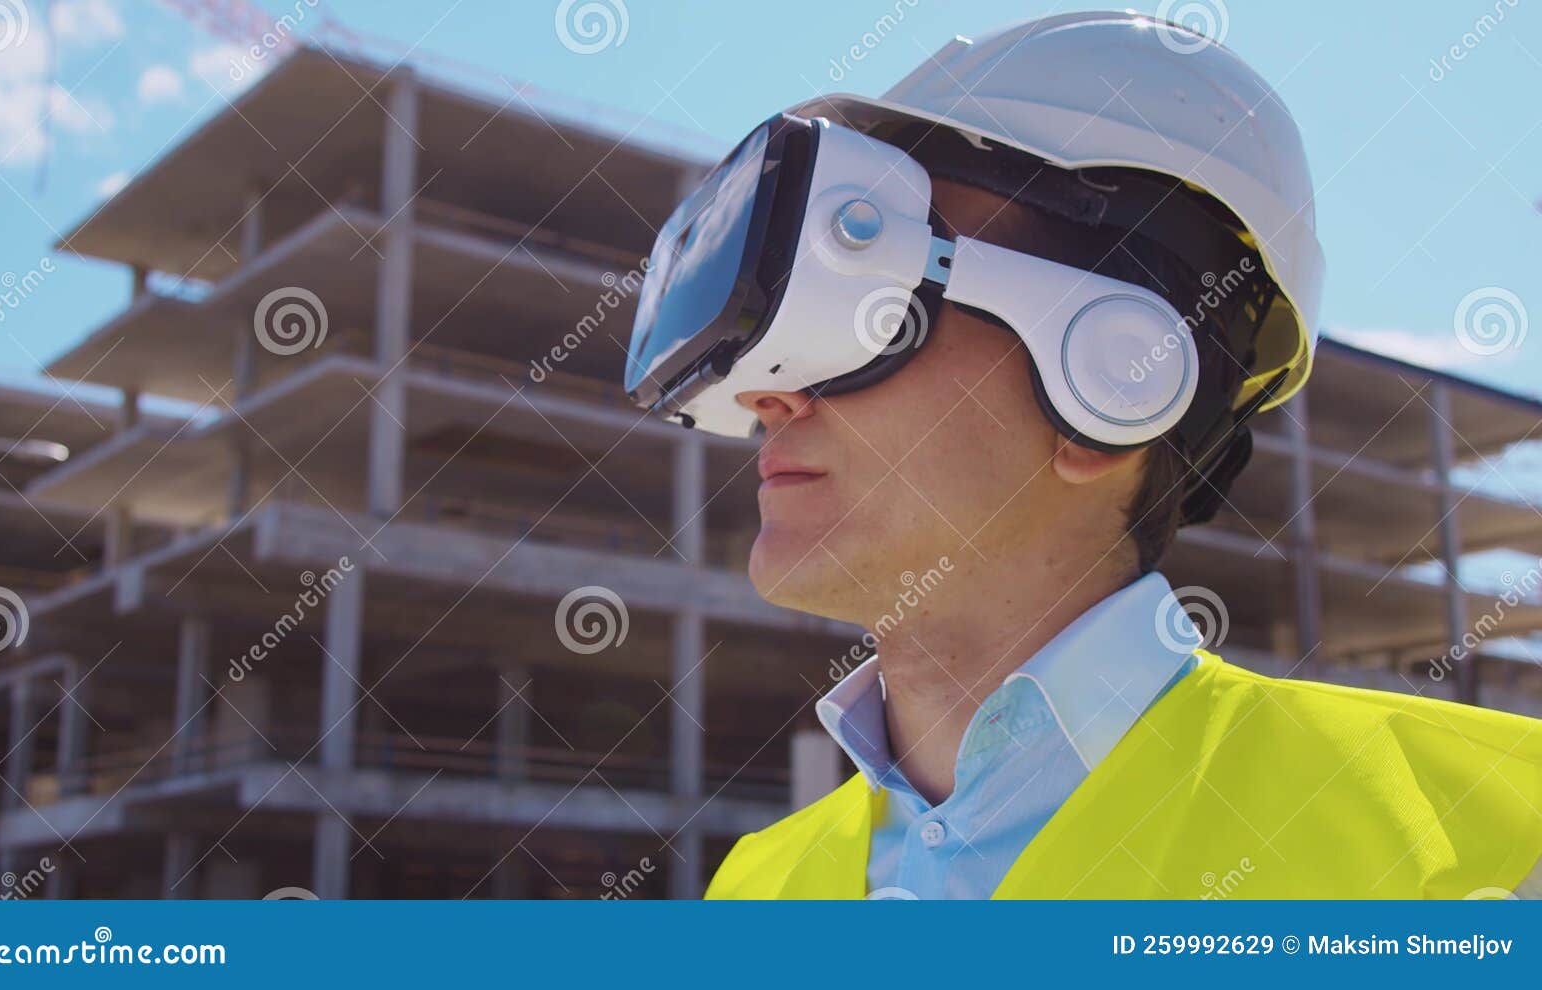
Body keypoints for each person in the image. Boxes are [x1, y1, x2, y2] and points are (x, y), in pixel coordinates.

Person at [623, 12, 1542, 899]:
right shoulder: (757, 888)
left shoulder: (1495, 837)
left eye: (867, 314)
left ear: (1111, 379)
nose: (767, 395)